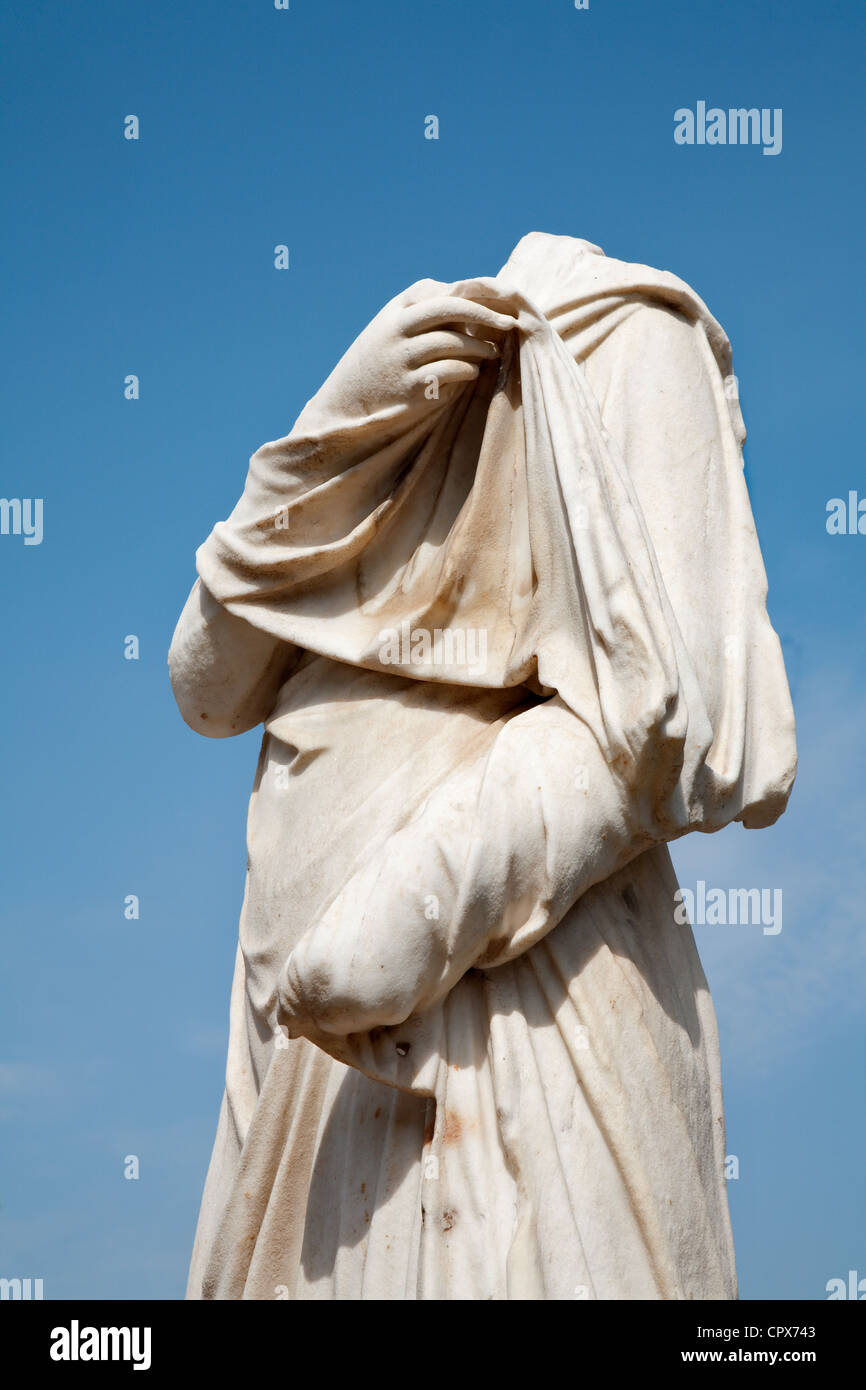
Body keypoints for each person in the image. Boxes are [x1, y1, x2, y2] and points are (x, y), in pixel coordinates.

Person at [169, 232, 796, 1299]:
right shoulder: (407, 393)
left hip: (518, 998)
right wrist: (334, 427)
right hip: (307, 1045)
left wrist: (410, 911)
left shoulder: (629, 332)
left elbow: (678, 720)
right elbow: (206, 681)